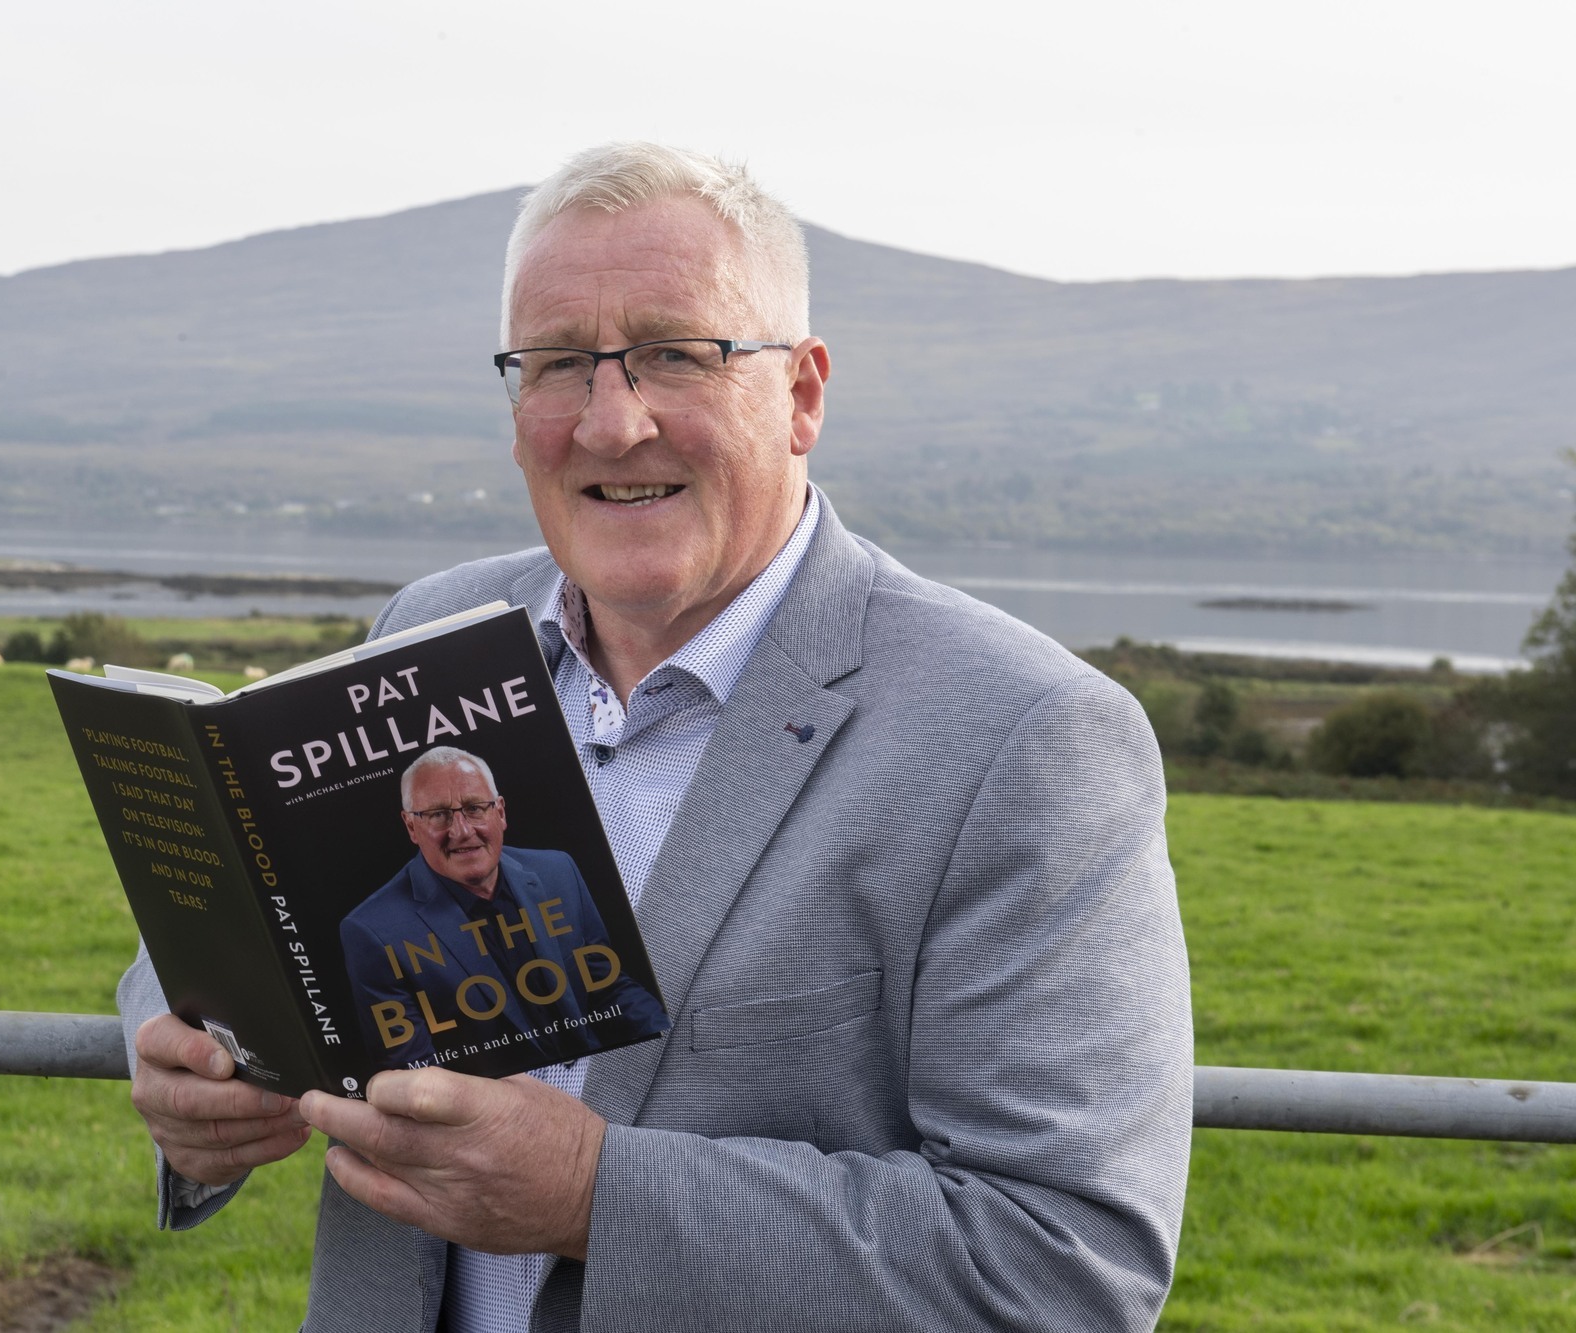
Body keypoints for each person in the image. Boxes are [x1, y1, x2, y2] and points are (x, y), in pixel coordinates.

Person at [119, 142, 1193, 1332]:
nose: (610, 423)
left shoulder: (1025, 736)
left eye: (677, 354)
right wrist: (186, 1058)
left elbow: (1062, 1267)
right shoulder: (428, 629)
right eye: (556, 363)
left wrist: (595, 1195)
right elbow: (261, 926)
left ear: (801, 394)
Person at [340, 746, 668, 1070]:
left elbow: (608, 988)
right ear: (411, 826)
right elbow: (418, 1073)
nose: (462, 832)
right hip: (494, 1103)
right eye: (438, 815)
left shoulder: (558, 871)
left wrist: (668, 1037)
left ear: (500, 812)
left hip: (598, 1073)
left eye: (474, 808)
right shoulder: (371, 932)